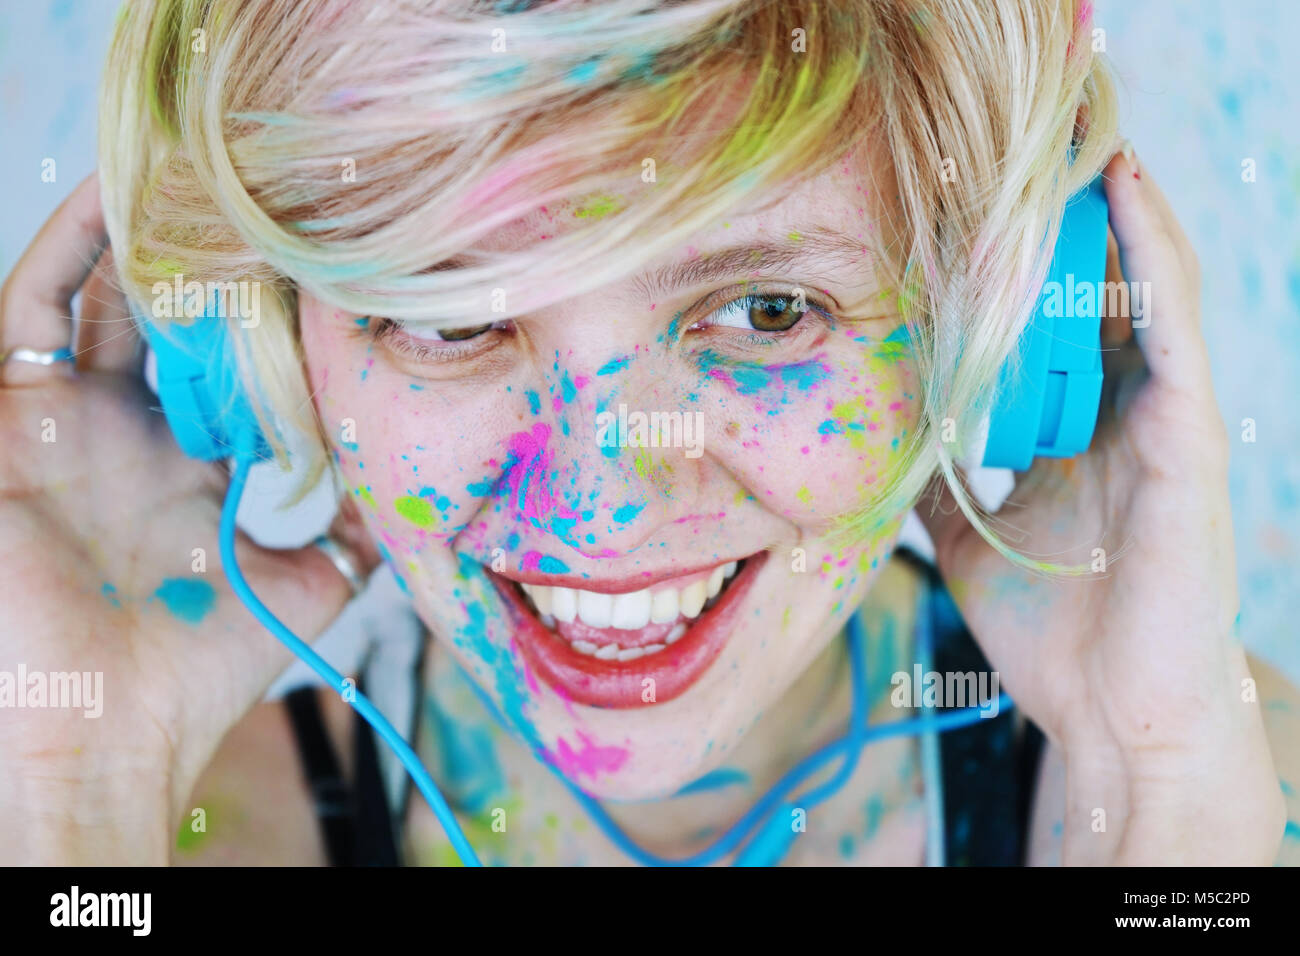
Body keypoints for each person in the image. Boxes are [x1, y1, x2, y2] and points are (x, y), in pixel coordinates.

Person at [1, 0, 1295, 866]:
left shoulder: (1239, 789)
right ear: (255, 354)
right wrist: (69, 795)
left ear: (1000, 339)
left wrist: (1165, 783)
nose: (597, 500)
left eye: (767, 310)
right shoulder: (183, 846)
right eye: (445, 319)